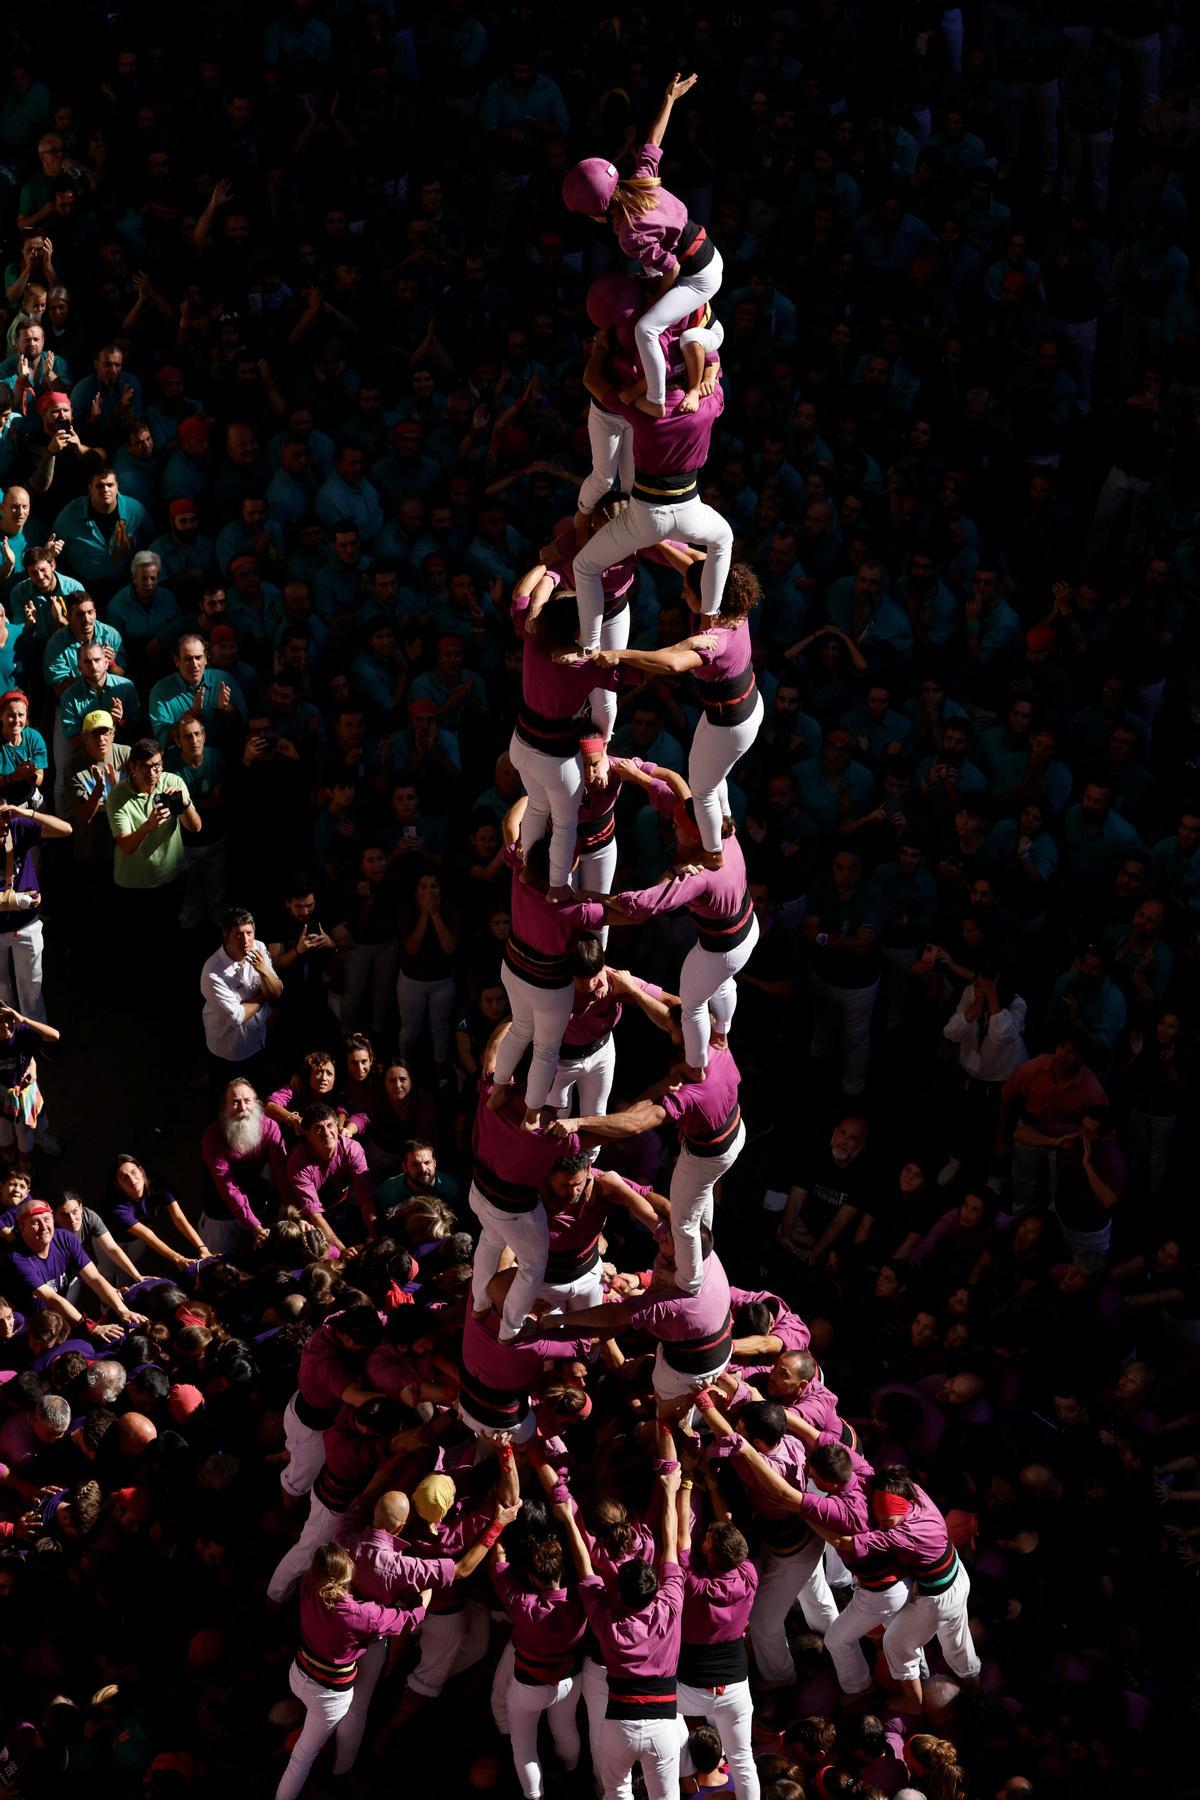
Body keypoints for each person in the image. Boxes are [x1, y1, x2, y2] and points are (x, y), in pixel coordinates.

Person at [563, 73, 720, 415]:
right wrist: (669, 99)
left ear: (595, 213)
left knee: (646, 328)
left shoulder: (629, 235)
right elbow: (654, 139)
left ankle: (656, 398)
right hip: (705, 252)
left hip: (699, 275)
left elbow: (672, 270)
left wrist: (651, 304)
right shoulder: (638, 182)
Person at [590, 562, 763, 859]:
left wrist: (621, 654)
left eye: (687, 591)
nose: (683, 596)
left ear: (705, 594)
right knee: (712, 778)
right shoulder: (734, 607)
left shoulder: (715, 641)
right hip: (738, 708)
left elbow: (672, 664)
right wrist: (655, 543)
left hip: (731, 724)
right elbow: (692, 562)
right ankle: (724, 823)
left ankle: (713, 854)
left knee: (702, 790)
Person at [554, 1451, 686, 1800]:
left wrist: (568, 1519)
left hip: (617, 1723)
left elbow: (584, 1564)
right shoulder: (671, 1605)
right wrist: (671, 1491)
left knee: (614, 1791)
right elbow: (670, 1542)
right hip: (663, 1725)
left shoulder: (605, 1618)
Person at [602, 800, 758, 1077]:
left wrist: (595, 898)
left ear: (696, 836)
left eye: (678, 826)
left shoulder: (700, 876)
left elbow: (645, 905)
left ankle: (695, 1066)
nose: (672, 826)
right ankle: (721, 1034)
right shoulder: (727, 835)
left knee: (692, 1004)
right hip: (748, 930)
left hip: (720, 950)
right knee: (723, 982)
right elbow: (702, 797)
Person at [273, 1541, 429, 1800]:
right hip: (327, 1697)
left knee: (308, 1733)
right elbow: (409, 1618)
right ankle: (338, 1774)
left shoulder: (309, 1586)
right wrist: (427, 1589)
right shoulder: (359, 1614)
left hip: (298, 1674)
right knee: (302, 1758)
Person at [490, 800, 607, 1127]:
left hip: (513, 968)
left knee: (520, 1028)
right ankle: (531, 1114)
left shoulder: (520, 869)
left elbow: (509, 823)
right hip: (547, 986)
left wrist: (536, 793)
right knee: (545, 1050)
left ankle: (498, 1091)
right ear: (572, 863)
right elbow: (628, 912)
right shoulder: (573, 908)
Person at [103, 738, 201, 941]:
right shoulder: (118, 797)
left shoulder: (172, 783)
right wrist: (148, 826)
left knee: (170, 934)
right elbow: (126, 846)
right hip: (134, 885)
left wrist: (184, 804)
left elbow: (195, 827)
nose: (152, 773)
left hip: (171, 878)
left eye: (157, 766)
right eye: (145, 767)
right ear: (133, 767)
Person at [199, 907, 283, 1097]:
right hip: (230, 1049)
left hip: (259, 1039)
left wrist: (264, 971)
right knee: (227, 1095)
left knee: (256, 1088)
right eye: (239, 934)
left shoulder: (259, 948)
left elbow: (277, 991)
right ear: (226, 935)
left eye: (249, 933)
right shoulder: (213, 972)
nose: (246, 940)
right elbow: (237, 1016)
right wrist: (263, 995)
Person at [0, 794, 70, 1020]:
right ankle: (7, 1036)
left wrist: (26, 813)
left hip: (26, 925)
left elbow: (65, 829)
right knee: (1, 991)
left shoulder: (17, 826)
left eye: (5, 816)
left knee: (32, 989)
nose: (3, 824)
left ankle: (33, 1036)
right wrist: (17, 900)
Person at [199, 1078, 288, 1254]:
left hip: (257, 1206)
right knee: (218, 1262)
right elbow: (228, 1187)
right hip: (220, 1214)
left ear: (256, 1103)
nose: (243, 1107)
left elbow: (281, 1173)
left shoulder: (269, 1127)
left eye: (247, 1101)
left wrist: (290, 1208)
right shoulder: (213, 1135)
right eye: (235, 1102)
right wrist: (253, 1225)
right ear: (225, 1108)